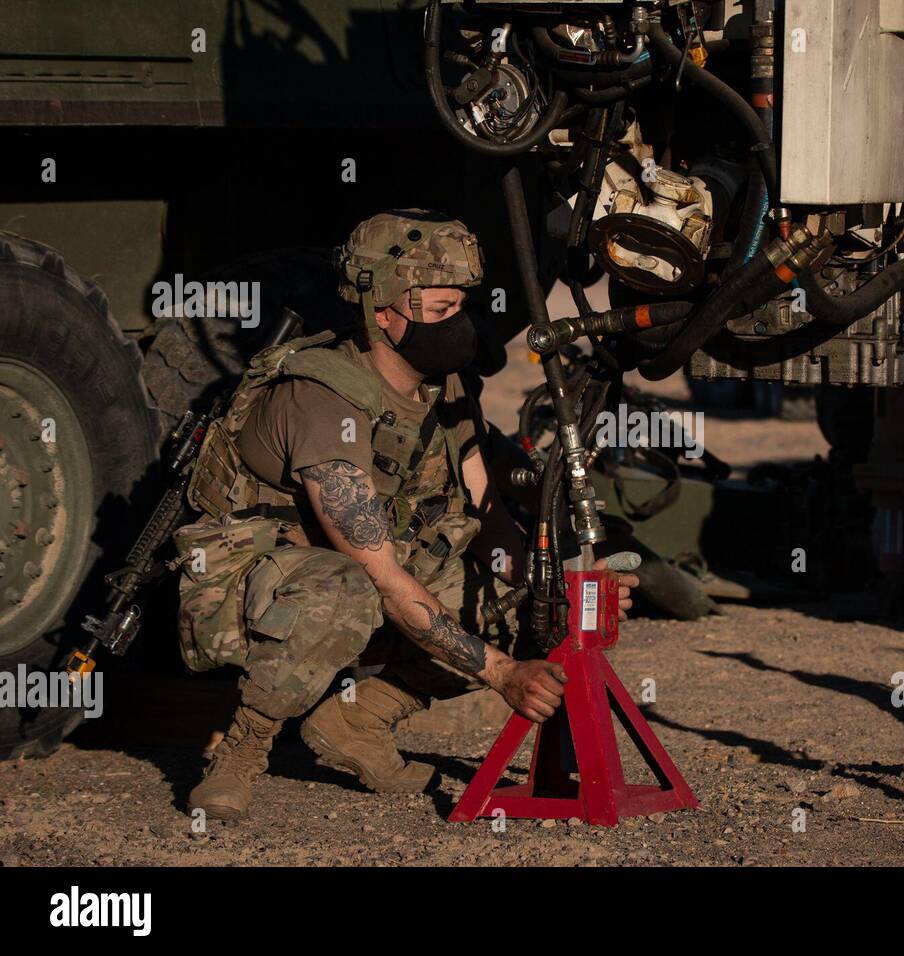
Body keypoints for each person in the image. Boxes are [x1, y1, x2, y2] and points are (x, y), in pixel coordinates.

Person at [175, 209, 636, 819]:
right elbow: (384, 580)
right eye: (440, 311)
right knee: (346, 591)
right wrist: (502, 675)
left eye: (460, 307)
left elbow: (485, 514)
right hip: (247, 581)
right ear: (383, 313)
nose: (458, 325)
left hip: (354, 569)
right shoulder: (323, 399)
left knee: (525, 593)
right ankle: (240, 754)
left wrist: (563, 593)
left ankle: (357, 721)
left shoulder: (443, 386)